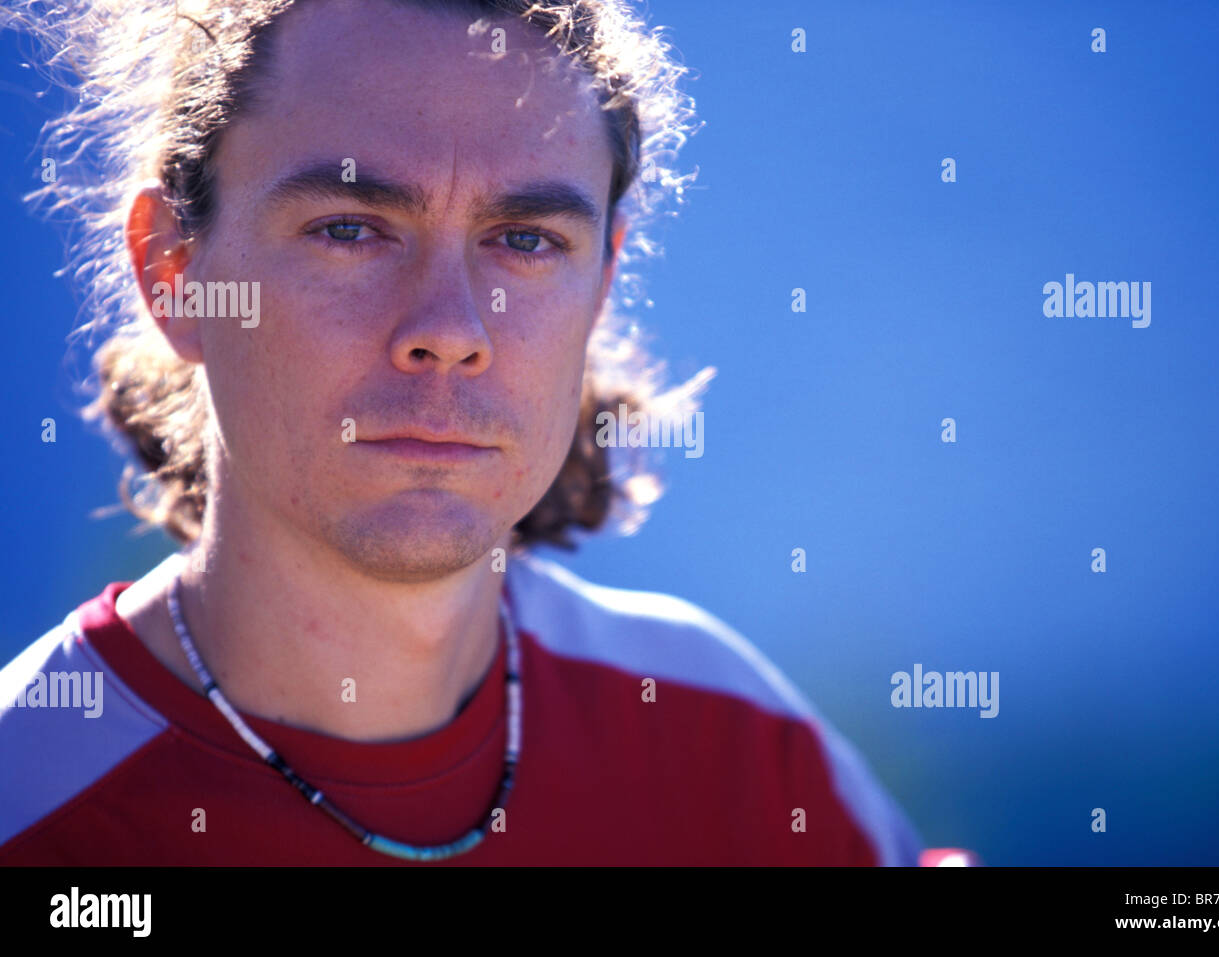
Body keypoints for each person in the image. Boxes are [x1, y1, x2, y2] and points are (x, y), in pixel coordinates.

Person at [0, 0, 924, 865]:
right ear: (173, 273)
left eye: (524, 241)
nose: (450, 330)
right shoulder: (30, 797)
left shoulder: (741, 749)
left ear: (602, 284)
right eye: (352, 228)